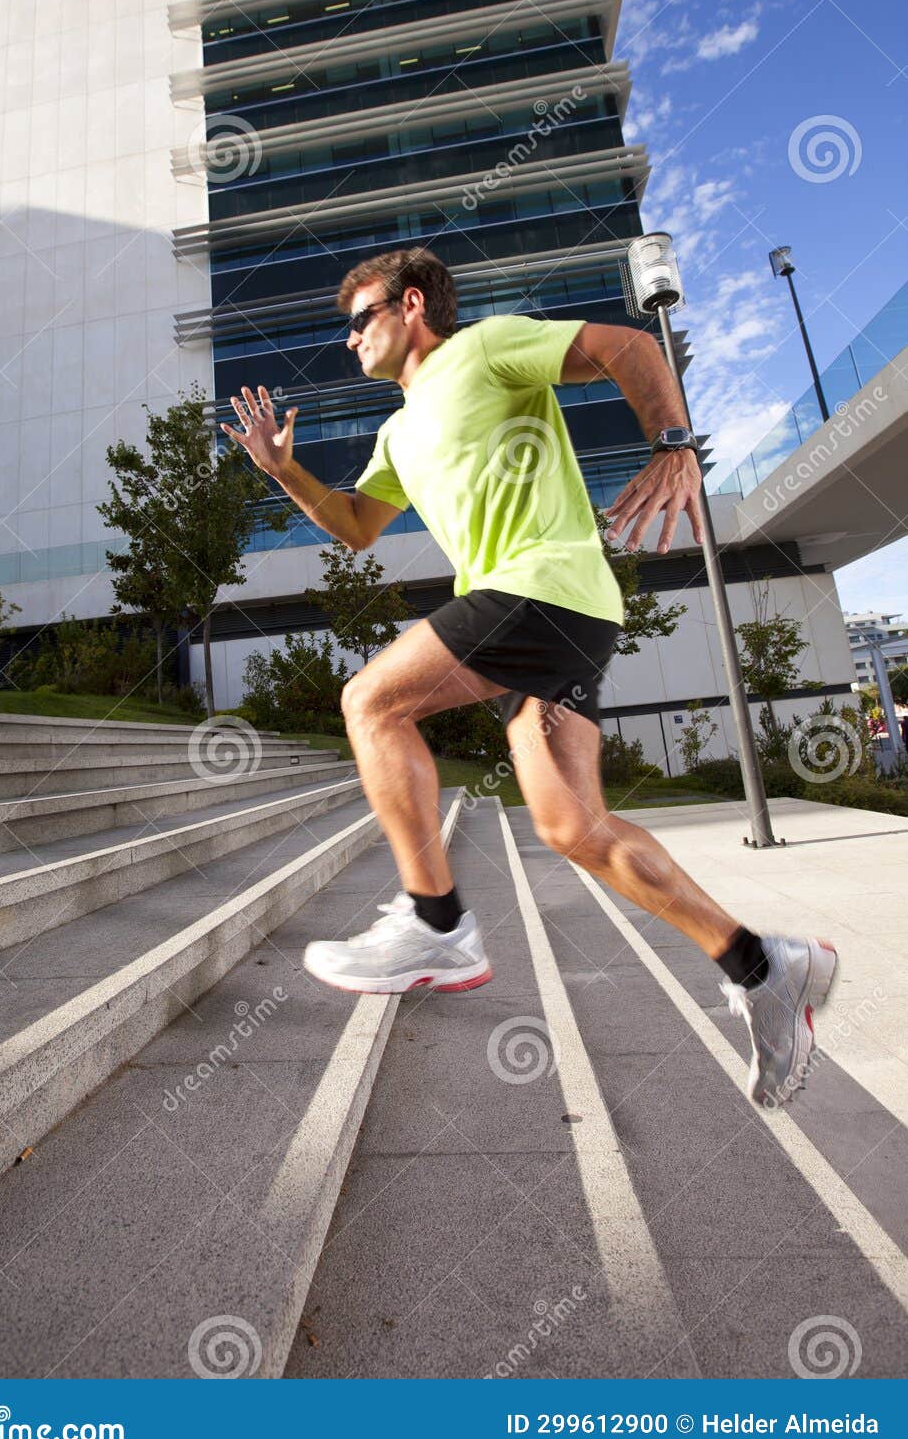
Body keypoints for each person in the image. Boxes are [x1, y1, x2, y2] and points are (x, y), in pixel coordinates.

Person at [220, 246, 838, 1109]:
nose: (348, 340)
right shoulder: (396, 430)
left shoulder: (484, 349)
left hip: (540, 586)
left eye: (359, 321)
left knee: (369, 701)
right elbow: (357, 526)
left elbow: (628, 346)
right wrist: (284, 471)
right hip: (550, 616)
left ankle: (437, 927)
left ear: (408, 306)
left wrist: (672, 445)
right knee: (572, 828)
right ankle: (763, 967)